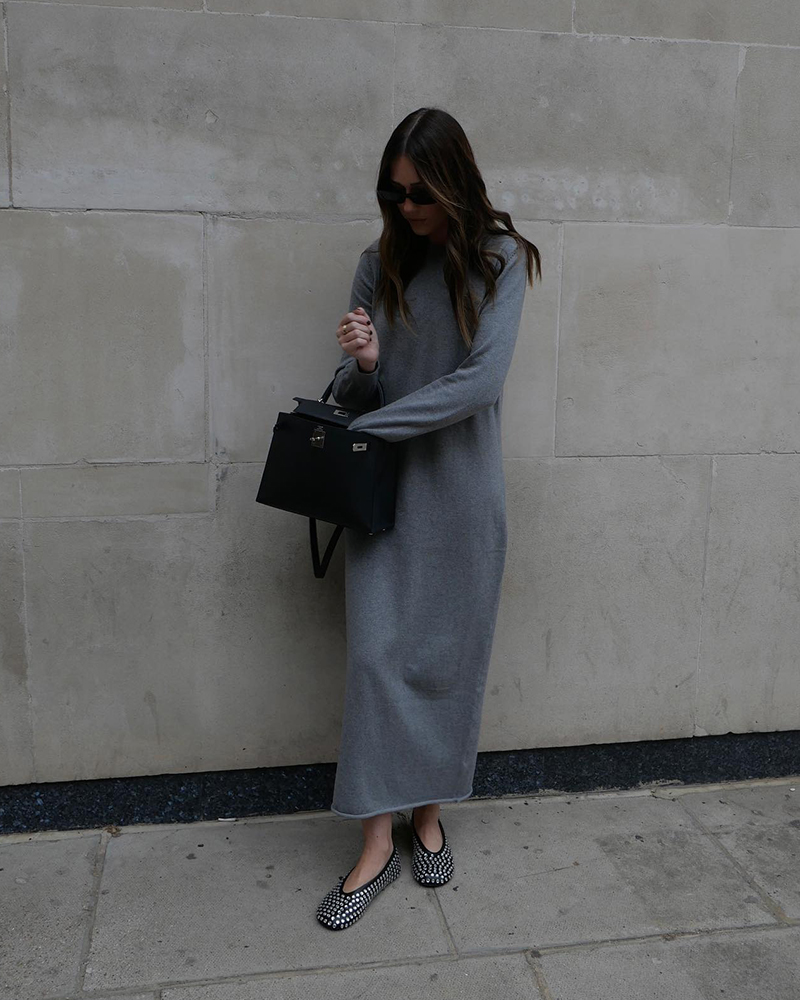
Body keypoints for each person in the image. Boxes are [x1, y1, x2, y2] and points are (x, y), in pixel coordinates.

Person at [315, 107, 542, 931]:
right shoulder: (375, 265)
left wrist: (371, 420)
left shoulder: (499, 261)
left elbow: (481, 382)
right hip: (384, 499)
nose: (405, 206)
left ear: (454, 182)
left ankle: (428, 816)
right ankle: (377, 844)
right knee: (377, 661)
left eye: (418, 192)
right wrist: (366, 367)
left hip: (462, 497)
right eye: (392, 191)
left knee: (446, 661)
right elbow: (349, 391)